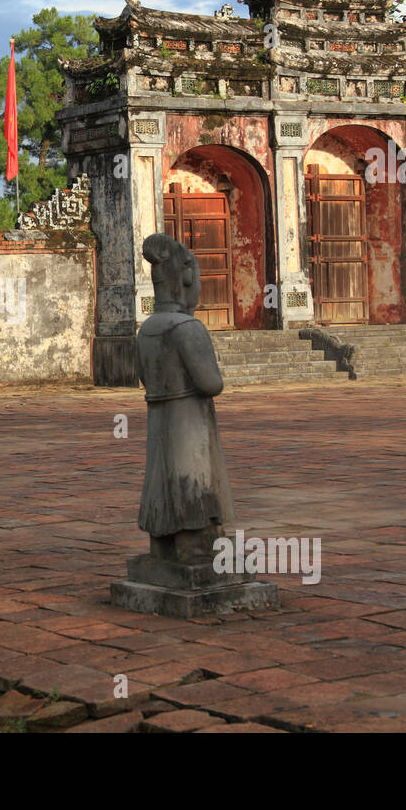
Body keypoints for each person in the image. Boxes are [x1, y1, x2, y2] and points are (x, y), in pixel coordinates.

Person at [136, 233, 234, 563]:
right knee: (191, 478)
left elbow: (143, 375)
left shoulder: (147, 329)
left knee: (162, 481)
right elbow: (211, 383)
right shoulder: (188, 328)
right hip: (189, 421)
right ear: (185, 281)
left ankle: (163, 542)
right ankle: (196, 543)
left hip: (160, 418)